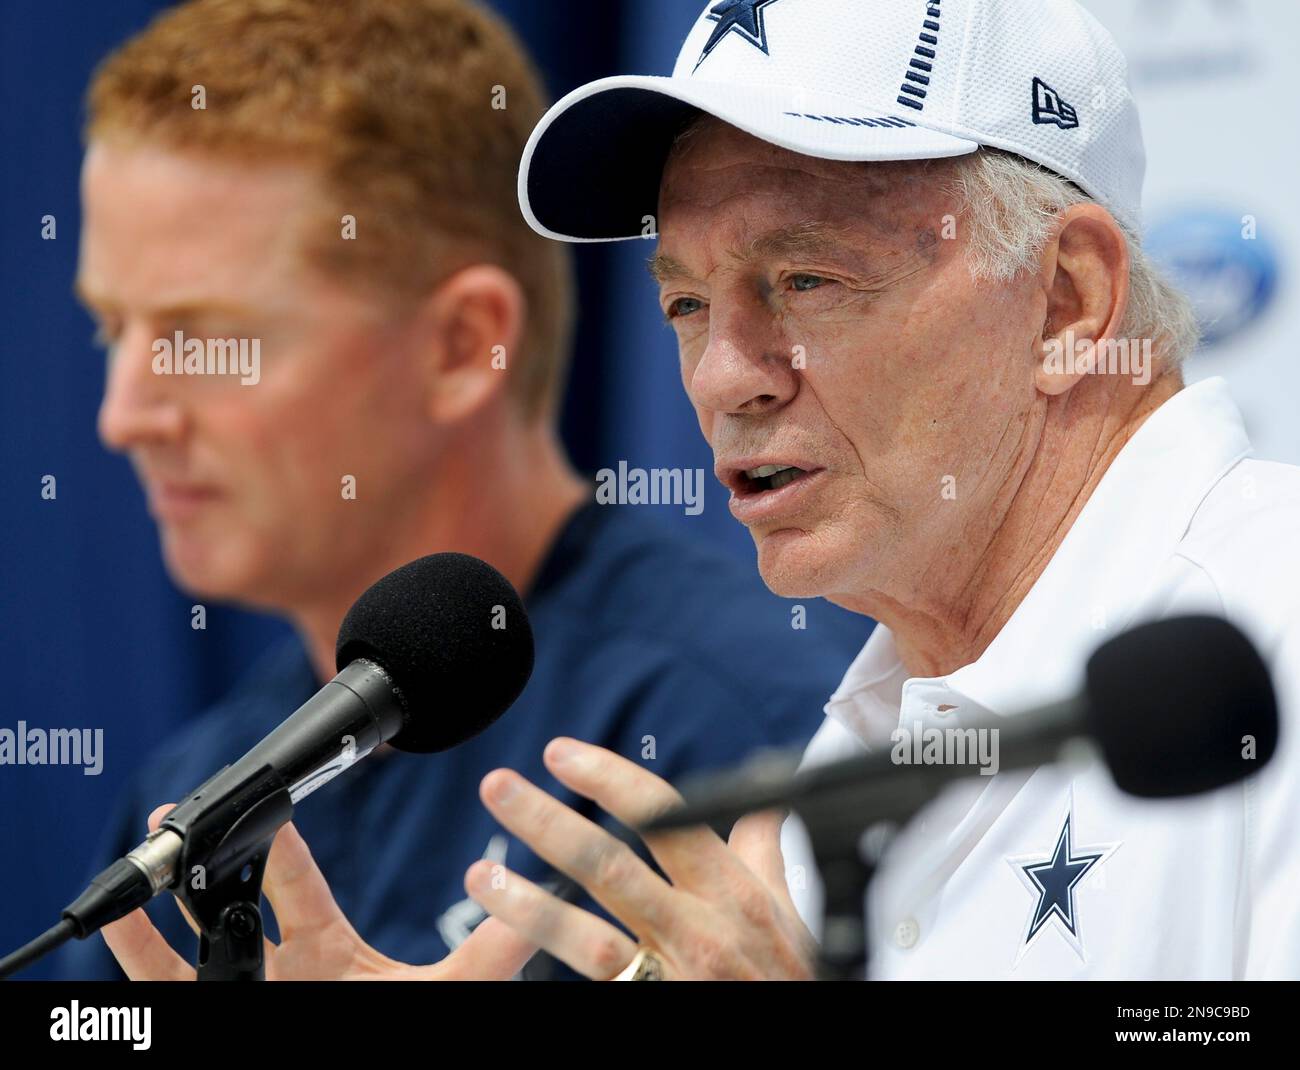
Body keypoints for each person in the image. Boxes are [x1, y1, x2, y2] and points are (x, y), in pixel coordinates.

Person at [105, 0, 1300, 981]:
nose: (723, 377)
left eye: (807, 278)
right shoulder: (833, 769)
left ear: (1067, 303)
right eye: (684, 303)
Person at [62, 0, 867, 981]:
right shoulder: (195, 792)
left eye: (202, 339)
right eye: (113, 329)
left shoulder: (753, 725)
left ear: (456, 346)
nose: (125, 415)